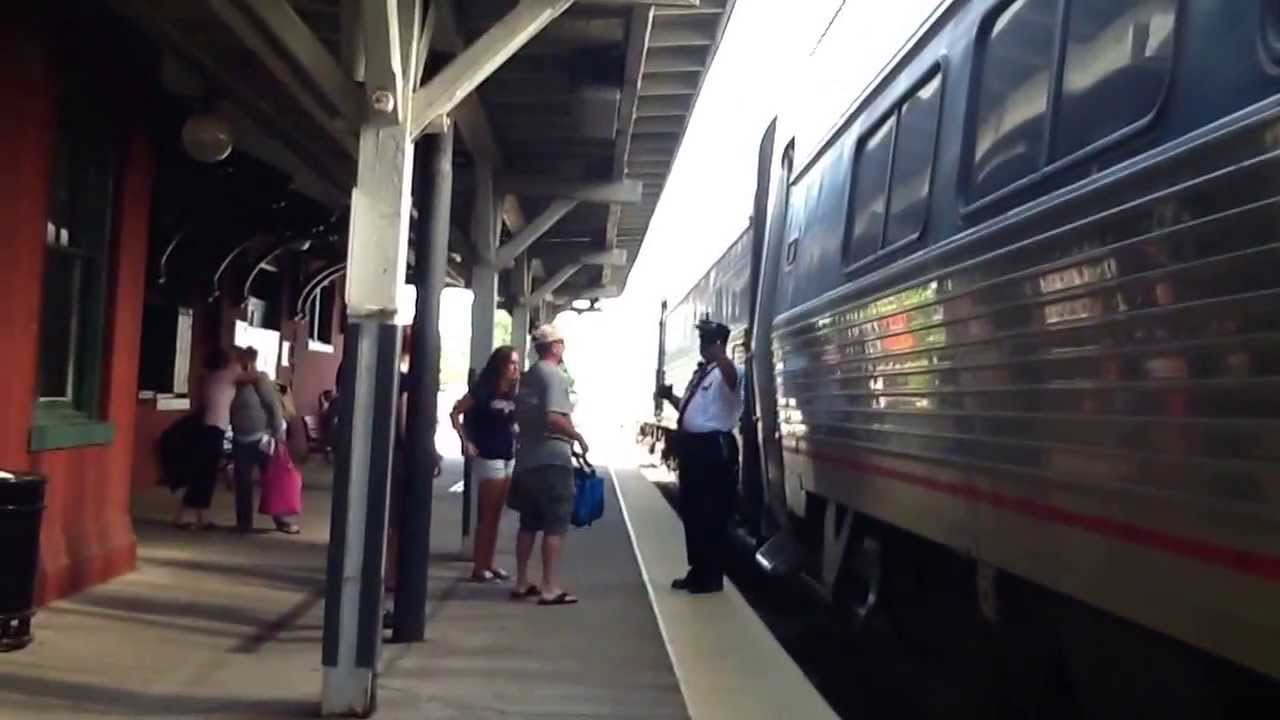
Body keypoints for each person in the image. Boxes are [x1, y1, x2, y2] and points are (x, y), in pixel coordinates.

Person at [658, 318, 744, 593]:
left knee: (713, 513)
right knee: (692, 511)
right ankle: (697, 570)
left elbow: (733, 380)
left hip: (714, 450)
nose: (703, 346)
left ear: (719, 344)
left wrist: (721, 357)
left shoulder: (730, 371)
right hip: (693, 448)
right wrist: (670, 398)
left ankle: (712, 576)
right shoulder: (701, 374)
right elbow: (688, 409)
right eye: (702, 341)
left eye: (708, 341)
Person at [510, 324, 587, 606]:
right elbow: (554, 417)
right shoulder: (553, 375)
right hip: (552, 459)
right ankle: (550, 587)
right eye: (561, 344)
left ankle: (521, 581)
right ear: (555, 347)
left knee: (528, 523)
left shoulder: (528, 376)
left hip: (527, 459)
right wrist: (577, 436)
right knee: (555, 524)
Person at [451, 345, 521, 583]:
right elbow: (456, 413)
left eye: (517, 363)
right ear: (500, 365)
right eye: (512, 363)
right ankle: (479, 565)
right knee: (487, 513)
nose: (516, 368)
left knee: (497, 514)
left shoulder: (511, 392)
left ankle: (489, 563)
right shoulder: (483, 390)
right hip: (487, 454)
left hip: (507, 454)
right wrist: (466, 441)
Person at [230, 346, 299, 534]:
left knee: (274, 479)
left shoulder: (260, 380)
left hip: (263, 439)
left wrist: (278, 434)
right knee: (242, 482)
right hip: (240, 439)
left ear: (247, 362)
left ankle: (281, 519)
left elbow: (273, 406)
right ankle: (243, 524)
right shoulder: (233, 383)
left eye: (237, 360)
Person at [173, 347, 238, 530]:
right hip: (214, 429)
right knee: (205, 474)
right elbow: (256, 376)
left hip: (204, 426)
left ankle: (201, 516)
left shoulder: (207, 377)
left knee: (204, 473)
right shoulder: (228, 375)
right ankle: (186, 516)